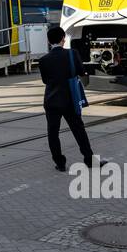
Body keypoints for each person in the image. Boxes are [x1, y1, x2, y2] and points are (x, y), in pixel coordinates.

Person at [37, 26, 97, 172]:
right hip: (70, 98)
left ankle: (60, 163)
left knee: (53, 133)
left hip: (51, 101)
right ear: (63, 39)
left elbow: (45, 81)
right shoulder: (72, 53)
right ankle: (89, 159)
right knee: (78, 130)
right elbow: (81, 72)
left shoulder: (43, 60)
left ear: (49, 41)